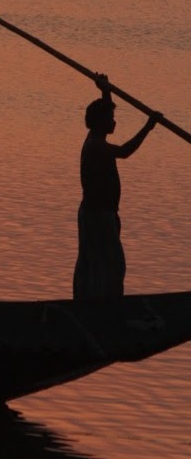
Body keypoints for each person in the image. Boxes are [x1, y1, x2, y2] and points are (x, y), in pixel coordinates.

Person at [72, 75, 158, 302]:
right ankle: (100, 307)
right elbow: (125, 152)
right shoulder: (95, 146)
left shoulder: (96, 137)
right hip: (96, 215)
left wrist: (105, 90)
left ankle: (101, 304)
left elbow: (104, 112)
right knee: (107, 263)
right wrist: (148, 127)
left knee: (106, 263)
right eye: (111, 119)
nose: (114, 122)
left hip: (103, 213)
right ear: (100, 122)